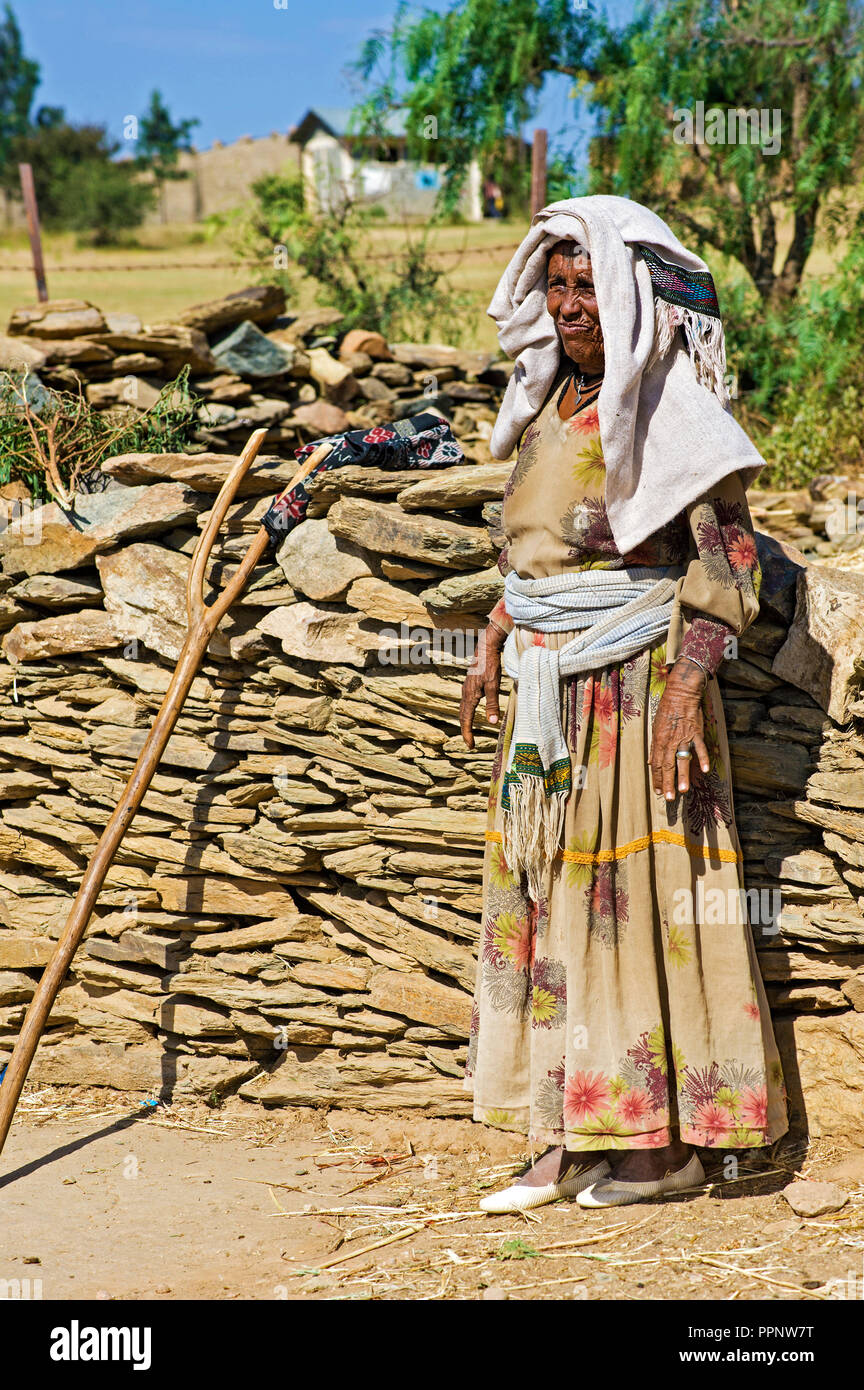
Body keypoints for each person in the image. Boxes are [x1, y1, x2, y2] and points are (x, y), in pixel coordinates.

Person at [461, 195, 788, 1212]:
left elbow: (728, 557)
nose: (568, 307)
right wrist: (498, 631)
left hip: (634, 696)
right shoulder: (549, 403)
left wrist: (691, 682)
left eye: (588, 285)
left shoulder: (664, 413)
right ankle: (565, 1134)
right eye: (555, 286)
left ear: (631, 297)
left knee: (635, 912)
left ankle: (659, 1148)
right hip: (550, 702)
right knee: (554, 911)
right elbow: (538, 552)